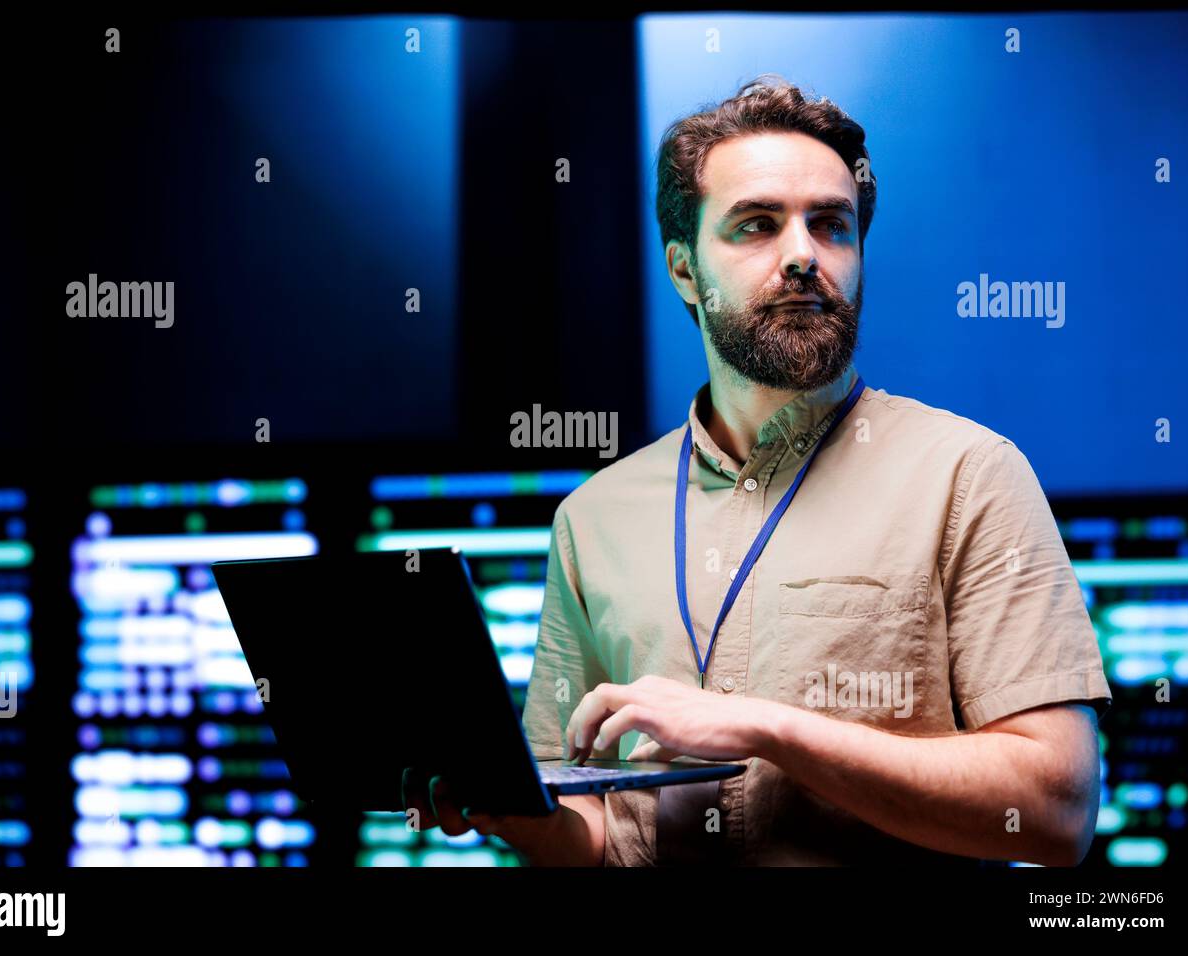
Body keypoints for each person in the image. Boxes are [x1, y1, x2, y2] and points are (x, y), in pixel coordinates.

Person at [402, 74, 1111, 866]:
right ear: (683, 271)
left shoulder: (970, 476)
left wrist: (765, 728)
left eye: (832, 226)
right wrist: (520, 819)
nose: (805, 255)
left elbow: (1056, 810)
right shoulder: (593, 516)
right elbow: (600, 837)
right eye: (757, 226)